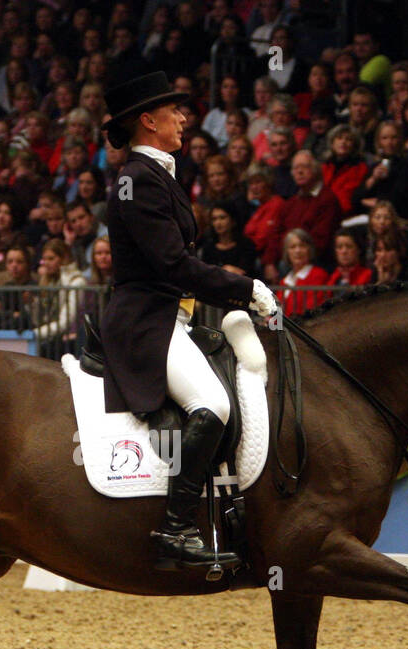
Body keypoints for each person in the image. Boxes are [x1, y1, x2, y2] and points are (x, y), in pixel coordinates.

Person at [99, 71, 276, 571]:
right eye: (174, 111)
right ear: (148, 120)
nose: (183, 118)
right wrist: (246, 288)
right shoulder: (137, 180)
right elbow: (173, 266)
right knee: (213, 404)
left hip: (171, 315)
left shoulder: (161, 174)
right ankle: (175, 528)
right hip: (145, 321)